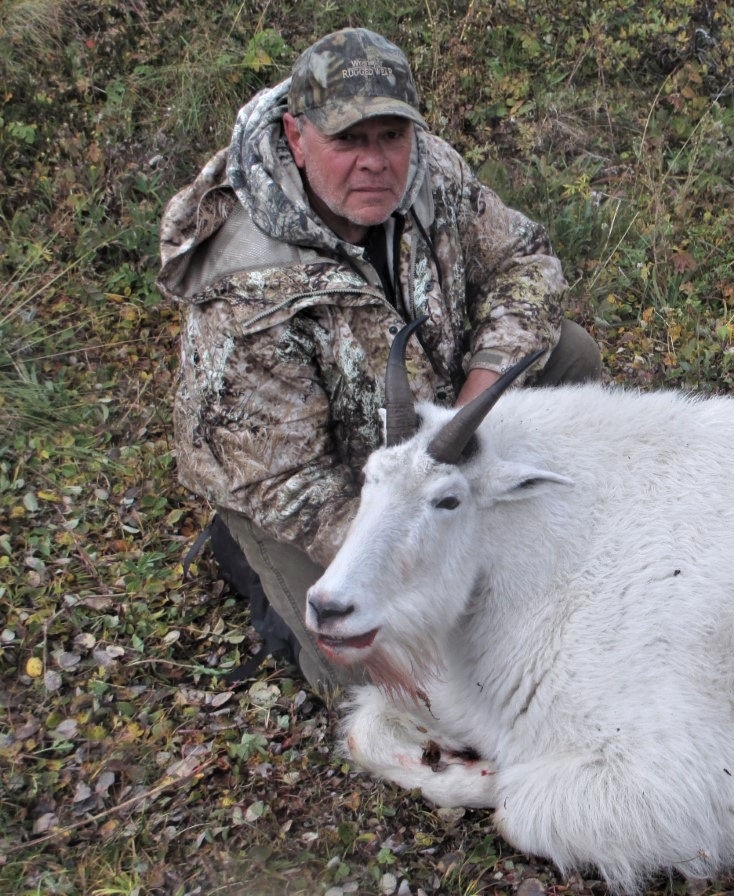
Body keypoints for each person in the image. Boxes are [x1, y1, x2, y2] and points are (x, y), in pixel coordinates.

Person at [156, 27, 602, 692]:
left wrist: (479, 395)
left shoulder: (428, 168)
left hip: (426, 423)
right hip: (302, 479)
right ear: (296, 137)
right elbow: (287, 481)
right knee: (377, 674)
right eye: (347, 140)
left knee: (568, 354)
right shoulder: (242, 283)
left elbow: (524, 262)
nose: (375, 160)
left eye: (390, 135)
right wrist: (419, 553)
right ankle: (245, 559)